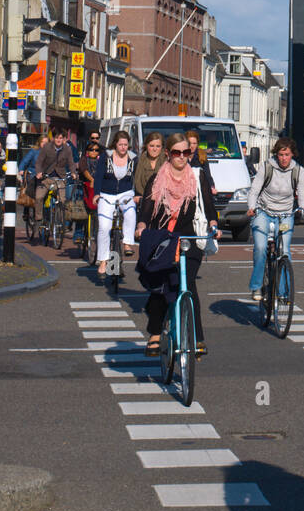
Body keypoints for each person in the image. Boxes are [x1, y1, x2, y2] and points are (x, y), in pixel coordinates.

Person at [136, 132, 218, 358]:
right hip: (162, 238)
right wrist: (142, 225)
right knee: (161, 286)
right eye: (177, 153)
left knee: (188, 285)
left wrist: (213, 223)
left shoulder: (197, 177)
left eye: (186, 153)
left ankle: (197, 338)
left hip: (188, 239)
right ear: (168, 154)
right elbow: (147, 206)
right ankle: (154, 333)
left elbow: (209, 206)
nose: (182, 157)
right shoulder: (157, 179)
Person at [246, 137, 304, 297]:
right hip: (264, 211)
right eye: (281, 154)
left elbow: (302, 191)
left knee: (285, 251)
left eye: (287, 154)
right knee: (260, 248)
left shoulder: (298, 171)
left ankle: (283, 293)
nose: (284, 158)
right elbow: (254, 190)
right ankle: (257, 286)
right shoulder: (267, 167)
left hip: (285, 215)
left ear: (292, 154)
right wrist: (252, 207)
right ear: (276, 154)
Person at [93, 130, 137, 278]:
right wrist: (96, 194)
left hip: (125, 194)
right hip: (106, 194)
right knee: (104, 227)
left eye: (126, 145)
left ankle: (127, 243)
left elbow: (137, 178)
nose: (123, 148)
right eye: (121, 144)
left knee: (130, 212)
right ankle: (104, 261)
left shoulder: (133, 158)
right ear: (115, 145)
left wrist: (137, 194)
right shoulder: (106, 157)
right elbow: (98, 176)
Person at [35, 129, 76, 245]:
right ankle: (39, 218)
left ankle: (61, 223)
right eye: (57, 138)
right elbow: (39, 162)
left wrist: (73, 172)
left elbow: (71, 163)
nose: (59, 140)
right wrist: (39, 172)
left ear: (64, 139)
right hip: (46, 177)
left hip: (60, 178)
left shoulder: (67, 149)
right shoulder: (46, 148)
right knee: (39, 197)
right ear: (53, 138)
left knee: (63, 201)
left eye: (61, 138)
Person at [133, 131, 164, 202]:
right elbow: (136, 183)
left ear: (162, 147)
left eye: (158, 146)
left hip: (162, 201)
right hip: (142, 199)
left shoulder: (167, 163)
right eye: (151, 146)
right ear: (146, 146)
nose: (155, 149)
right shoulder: (139, 161)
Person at [186, 129, 215, 198]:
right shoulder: (181, 155)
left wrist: (212, 186)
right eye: (189, 143)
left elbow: (207, 173)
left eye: (194, 143)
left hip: (199, 189)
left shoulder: (202, 155)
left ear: (197, 144)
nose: (192, 146)